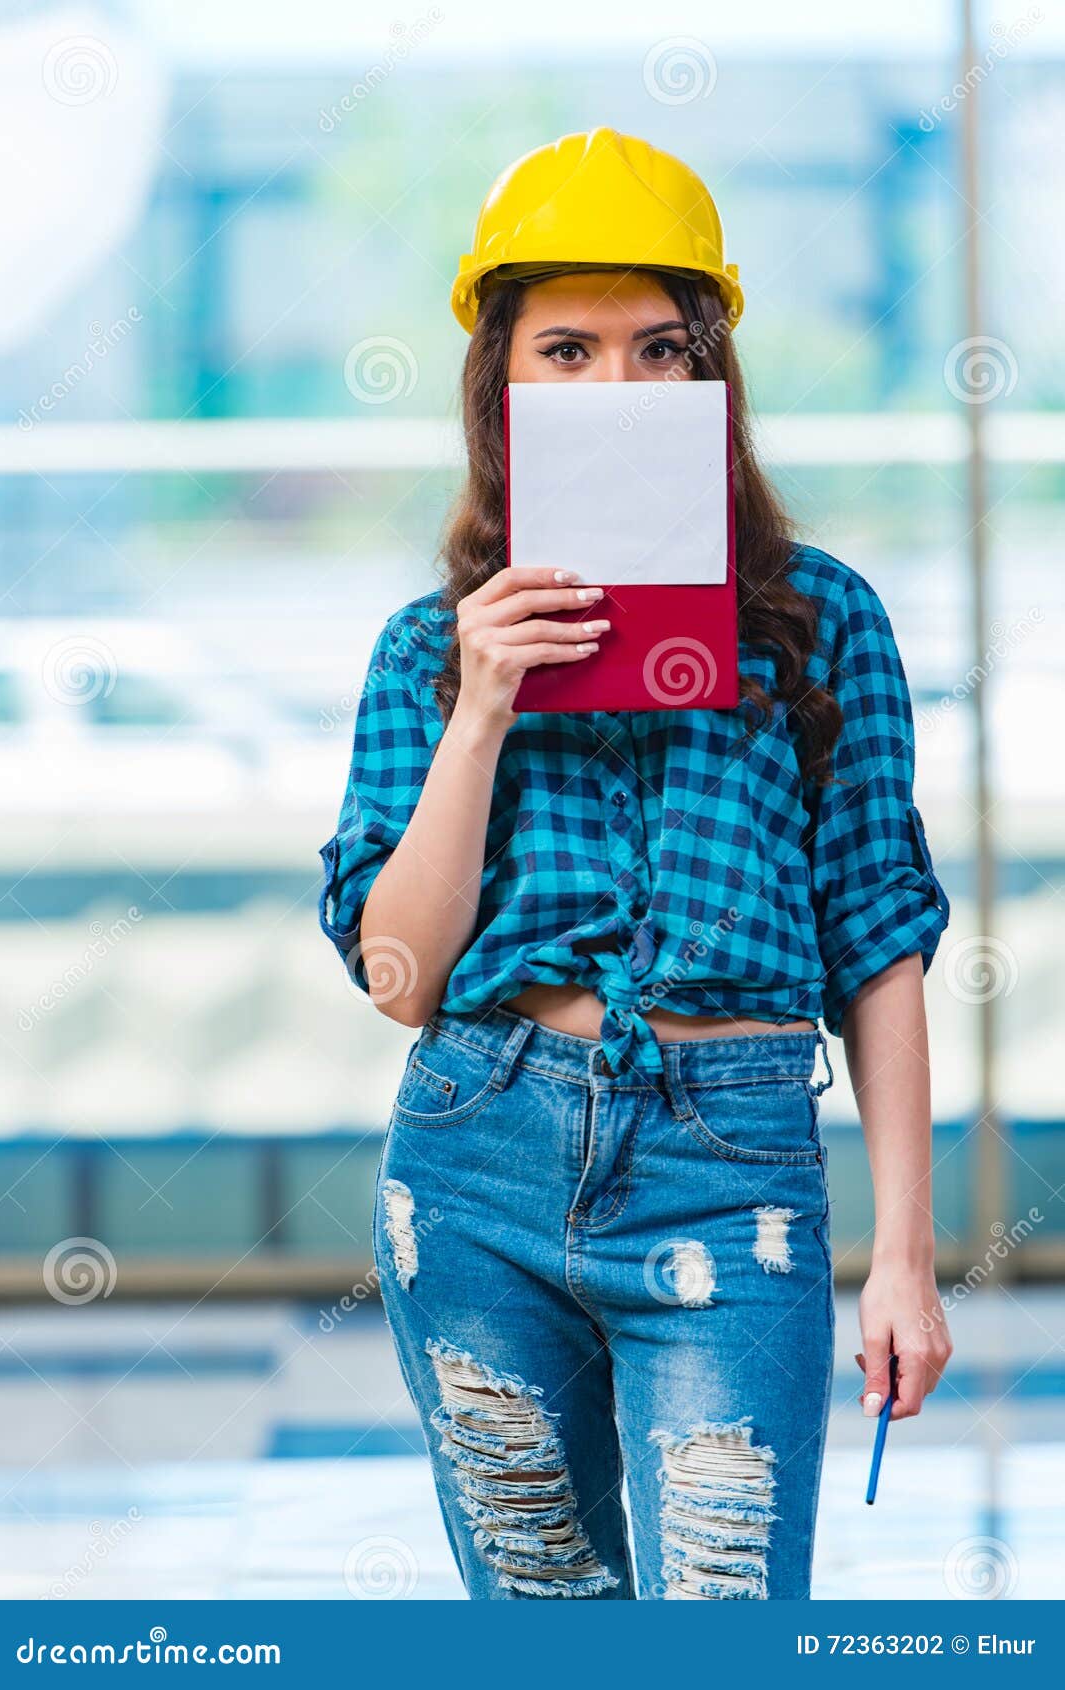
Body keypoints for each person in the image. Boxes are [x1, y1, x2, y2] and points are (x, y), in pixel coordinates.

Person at [318, 128, 953, 1600]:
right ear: (504, 387)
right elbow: (403, 978)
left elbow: (880, 935)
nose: (622, 386)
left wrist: (906, 1253)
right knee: (547, 1628)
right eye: (570, 348)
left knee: (723, 1624)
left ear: (711, 379)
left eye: (662, 348)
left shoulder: (819, 622)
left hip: (731, 1174)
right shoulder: (430, 649)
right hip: (479, 1157)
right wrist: (482, 706)